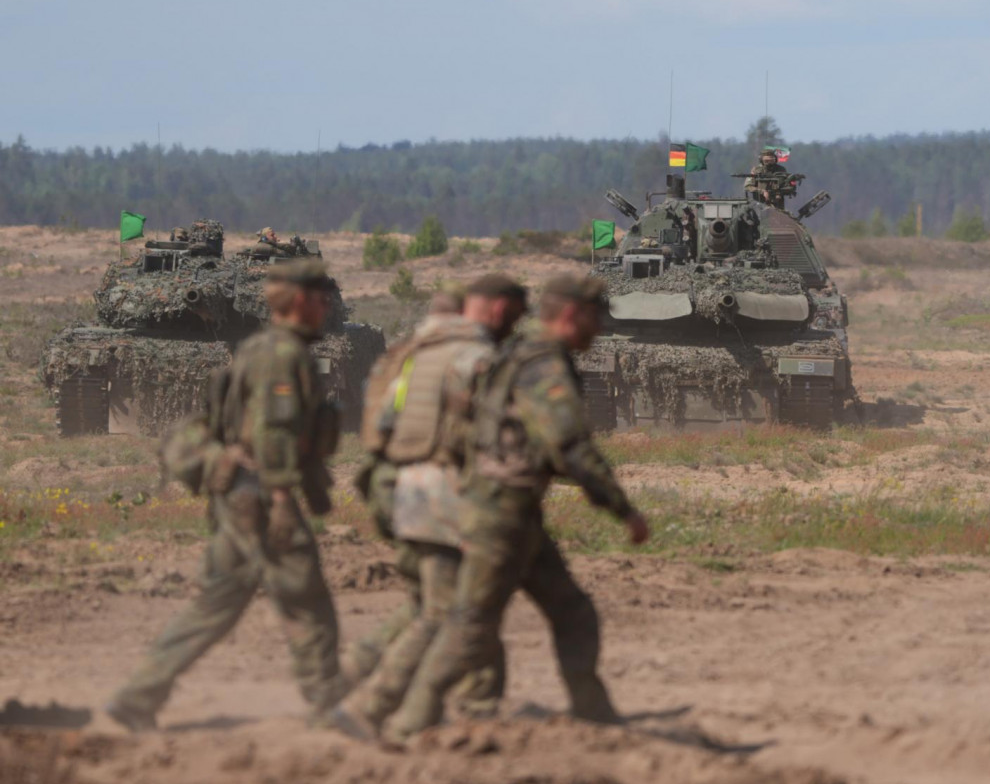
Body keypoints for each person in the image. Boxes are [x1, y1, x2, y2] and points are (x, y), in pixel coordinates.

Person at [381, 275, 649, 741]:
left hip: (512, 509)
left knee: (572, 611)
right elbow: (568, 444)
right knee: (471, 626)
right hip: (499, 513)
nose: (601, 328)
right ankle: (401, 719)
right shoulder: (543, 363)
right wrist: (622, 508)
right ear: (572, 315)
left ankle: (594, 712)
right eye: (595, 317)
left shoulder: (519, 353)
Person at [106, 260, 345, 731]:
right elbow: (274, 430)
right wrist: (282, 498)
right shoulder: (283, 355)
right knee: (308, 601)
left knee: (218, 602)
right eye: (322, 298)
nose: (327, 307)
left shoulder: (257, 347)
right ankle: (328, 707)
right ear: (300, 301)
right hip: (261, 493)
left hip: (237, 490)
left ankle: (139, 695)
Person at [341, 276, 529, 688]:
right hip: (438, 490)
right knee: (448, 608)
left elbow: (381, 423)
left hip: (395, 485)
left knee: (431, 603)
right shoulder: (468, 358)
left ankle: (472, 696)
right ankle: (373, 700)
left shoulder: (408, 355)